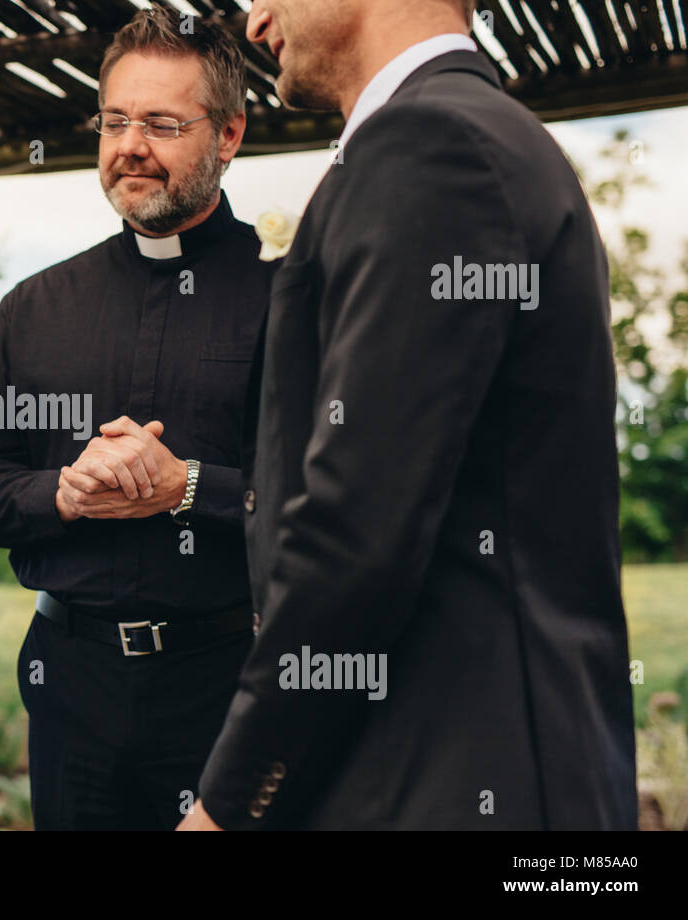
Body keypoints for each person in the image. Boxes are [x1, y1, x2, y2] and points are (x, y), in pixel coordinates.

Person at [180, 0, 637, 830]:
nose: (256, 21)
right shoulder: (485, 136)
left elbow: (356, 527)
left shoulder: (431, 145)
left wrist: (226, 806)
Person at [0, 7, 277, 830]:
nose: (130, 145)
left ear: (229, 134)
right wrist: (62, 492)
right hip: (70, 693)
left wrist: (187, 486)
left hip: (231, 691)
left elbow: (333, 502)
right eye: (115, 120)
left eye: (162, 124)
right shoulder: (34, 307)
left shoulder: (291, 295)